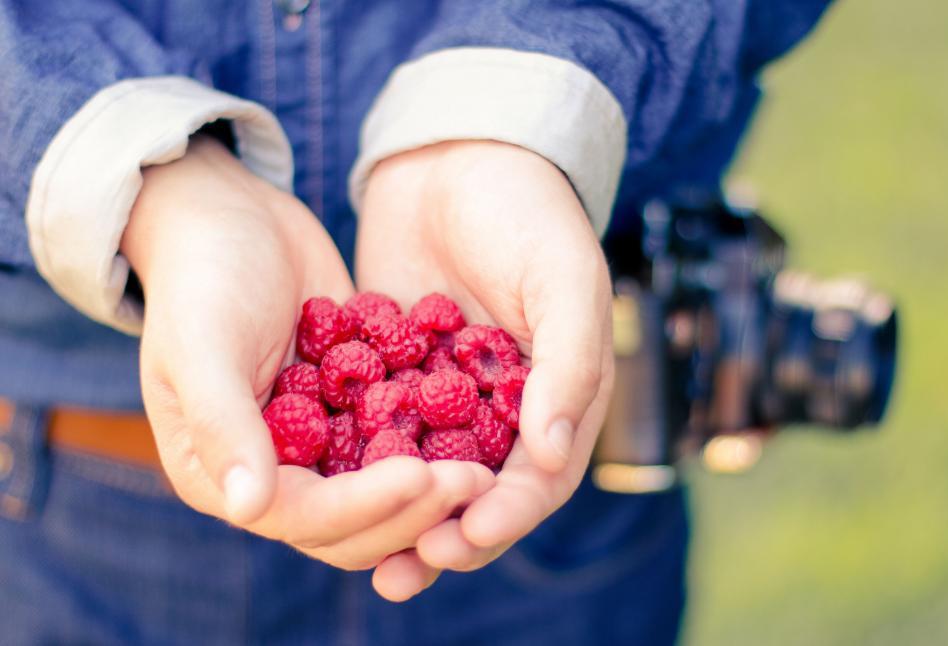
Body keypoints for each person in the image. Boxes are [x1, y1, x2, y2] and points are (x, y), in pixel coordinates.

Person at [0, 1, 832, 643]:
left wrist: (516, 108)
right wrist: (146, 177)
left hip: (565, 493)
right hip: (63, 506)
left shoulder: (437, 379)